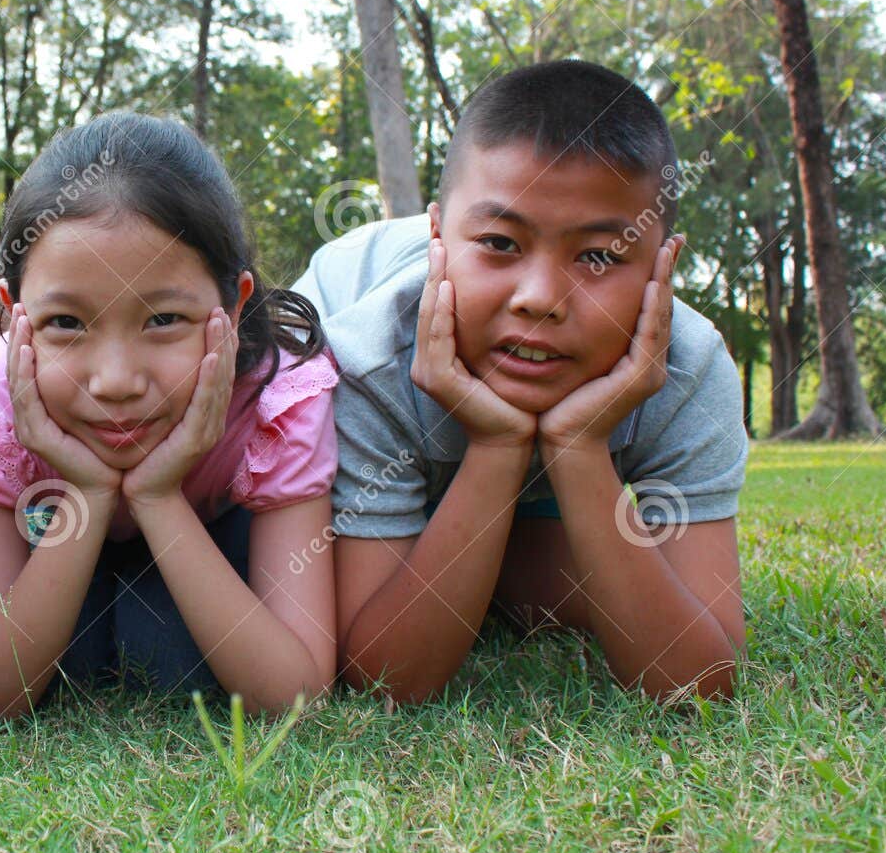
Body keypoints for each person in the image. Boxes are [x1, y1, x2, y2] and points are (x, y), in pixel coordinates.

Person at [293, 60, 748, 703]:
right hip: (340, 311)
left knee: (542, 579)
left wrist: (581, 449)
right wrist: (498, 447)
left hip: (507, 487)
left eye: (598, 256)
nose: (541, 299)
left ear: (662, 266)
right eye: (501, 243)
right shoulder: (359, 362)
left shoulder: (690, 370)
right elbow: (386, 681)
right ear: (437, 243)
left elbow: (701, 682)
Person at [0, 112, 338, 718]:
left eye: (163, 320)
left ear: (233, 308)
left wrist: (157, 496)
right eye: (66, 323)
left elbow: (297, 698)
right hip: (50, 554)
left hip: (209, 554)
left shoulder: (275, 401)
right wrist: (91, 491)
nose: (116, 382)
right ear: (13, 313)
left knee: (164, 646)